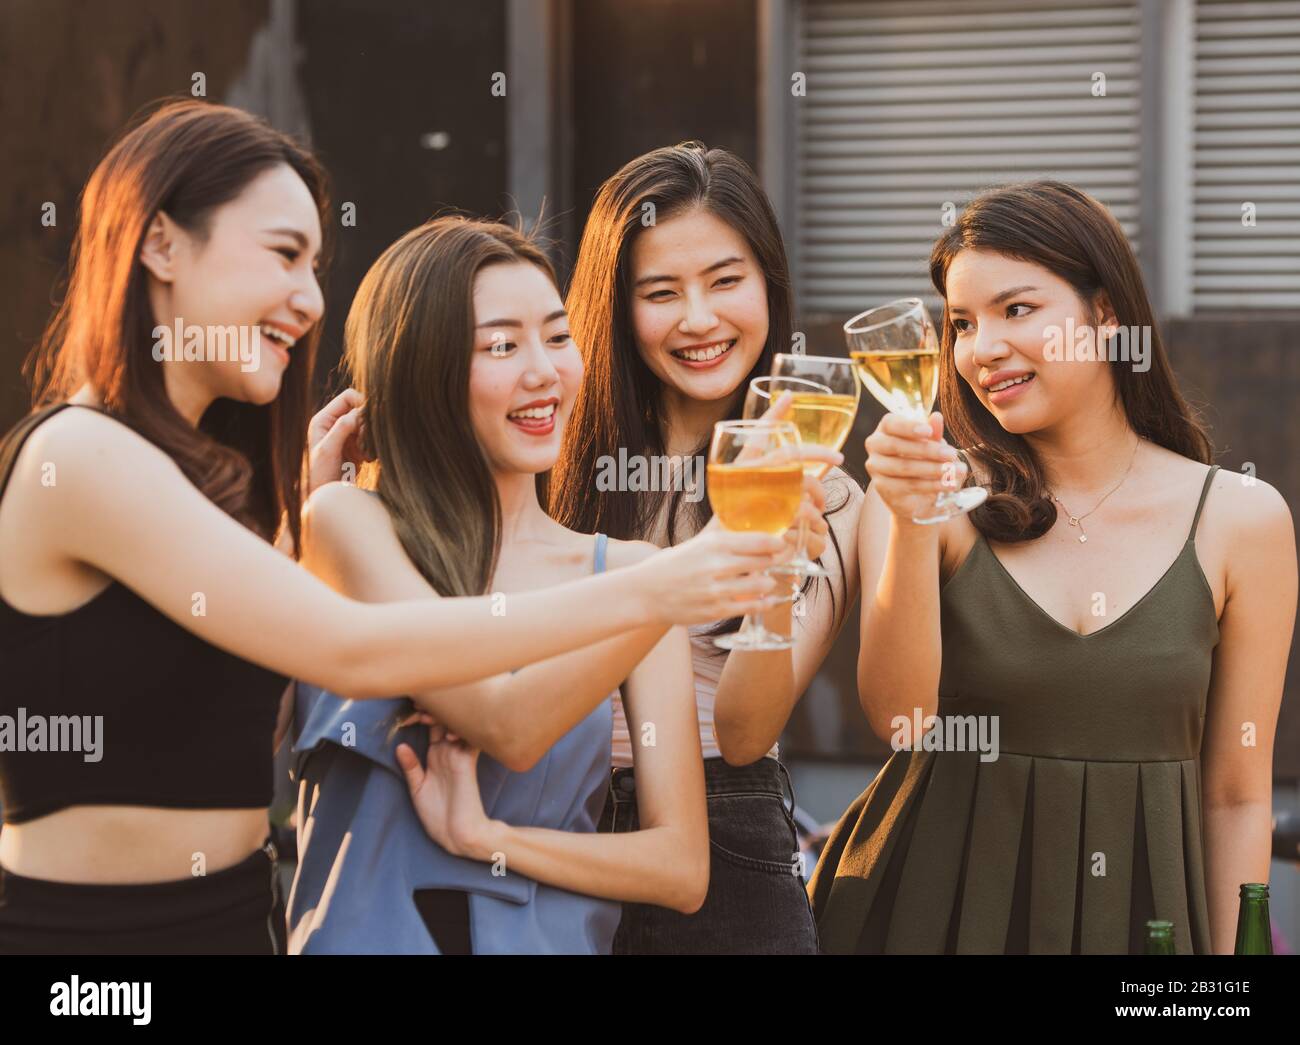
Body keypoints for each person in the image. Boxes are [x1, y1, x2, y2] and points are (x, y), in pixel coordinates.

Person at [0, 101, 785, 955]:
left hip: (227, 922)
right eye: (283, 255)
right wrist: (660, 586)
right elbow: (356, 648)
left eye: (316, 266)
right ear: (158, 243)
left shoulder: (217, 488)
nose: (307, 300)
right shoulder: (82, 453)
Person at [810, 180, 1295, 954]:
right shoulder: (930, 500)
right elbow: (900, 721)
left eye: (1017, 309)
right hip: (925, 914)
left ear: (1106, 314)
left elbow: (1236, 795)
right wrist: (905, 515)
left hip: (1147, 925)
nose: (982, 347)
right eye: (961, 324)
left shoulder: (1243, 517)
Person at [550, 142, 863, 954]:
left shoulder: (825, 494)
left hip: (728, 843)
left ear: (770, 284)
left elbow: (751, 732)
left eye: (726, 281)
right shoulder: (548, 462)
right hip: (545, 819)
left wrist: (768, 580)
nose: (699, 319)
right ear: (617, 307)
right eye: (661, 292)